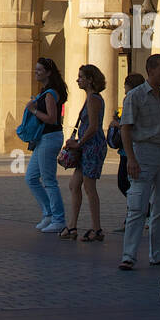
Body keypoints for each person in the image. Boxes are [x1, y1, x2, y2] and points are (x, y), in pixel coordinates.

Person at [118, 53, 160, 270]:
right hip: (143, 152)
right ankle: (129, 255)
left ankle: (159, 254)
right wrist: (131, 158)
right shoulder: (135, 96)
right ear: (150, 70)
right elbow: (126, 128)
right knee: (137, 206)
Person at [61, 64, 108, 241]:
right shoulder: (90, 98)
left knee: (89, 187)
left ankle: (97, 229)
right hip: (85, 147)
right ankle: (72, 226)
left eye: (81, 77)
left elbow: (94, 127)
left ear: (90, 80)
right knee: (74, 185)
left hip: (92, 147)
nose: (77, 80)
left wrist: (78, 143)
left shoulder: (94, 99)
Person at [24, 56, 68, 233]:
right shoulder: (46, 91)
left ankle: (59, 219)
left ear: (48, 72)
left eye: (39, 70)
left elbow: (51, 118)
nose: (36, 72)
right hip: (44, 138)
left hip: (50, 137)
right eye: (36, 69)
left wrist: (33, 110)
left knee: (49, 180)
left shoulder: (50, 93)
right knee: (31, 178)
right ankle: (48, 213)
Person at [107, 72, 145, 230]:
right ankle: (132, 217)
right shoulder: (140, 99)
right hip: (128, 150)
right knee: (129, 185)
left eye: (125, 86)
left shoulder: (132, 98)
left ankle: (143, 212)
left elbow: (130, 124)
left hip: (129, 151)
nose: (124, 90)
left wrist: (118, 125)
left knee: (125, 184)